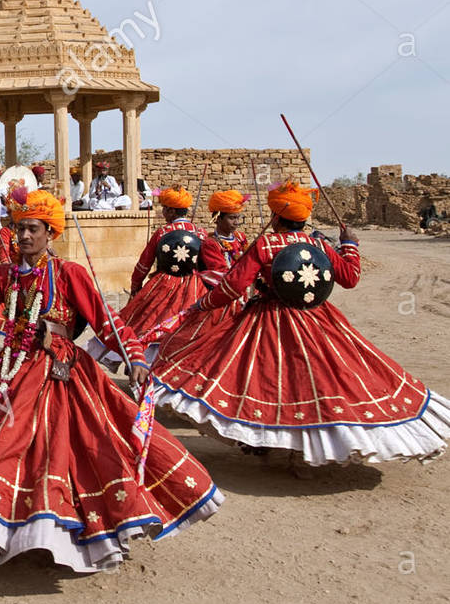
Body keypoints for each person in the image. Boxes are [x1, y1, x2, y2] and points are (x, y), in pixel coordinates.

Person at [0, 185, 222, 572]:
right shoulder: (4, 274)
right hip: (9, 371)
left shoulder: (69, 273)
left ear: (51, 233)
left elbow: (104, 319)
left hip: (59, 371)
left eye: (34, 228)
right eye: (20, 228)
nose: (26, 235)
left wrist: (134, 357)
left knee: (65, 450)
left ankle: (57, 532)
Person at [152, 181, 450, 469]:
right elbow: (350, 277)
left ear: (275, 217)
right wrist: (349, 244)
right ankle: (313, 445)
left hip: (269, 321)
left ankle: (273, 441)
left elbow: (233, 287)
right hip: (318, 319)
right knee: (317, 378)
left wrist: (200, 306)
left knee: (268, 380)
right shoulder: (317, 243)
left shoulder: (265, 245)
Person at [118, 186, 207, 338]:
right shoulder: (201, 233)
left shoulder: (163, 232)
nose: (163, 213)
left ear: (172, 211)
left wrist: (136, 286)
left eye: (164, 209)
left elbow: (144, 263)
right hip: (195, 286)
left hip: (163, 283)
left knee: (148, 320)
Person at [200, 189, 251, 283]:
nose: (236, 222)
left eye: (238, 218)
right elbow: (219, 273)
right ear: (218, 219)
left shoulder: (240, 237)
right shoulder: (211, 243)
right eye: (232, 218)